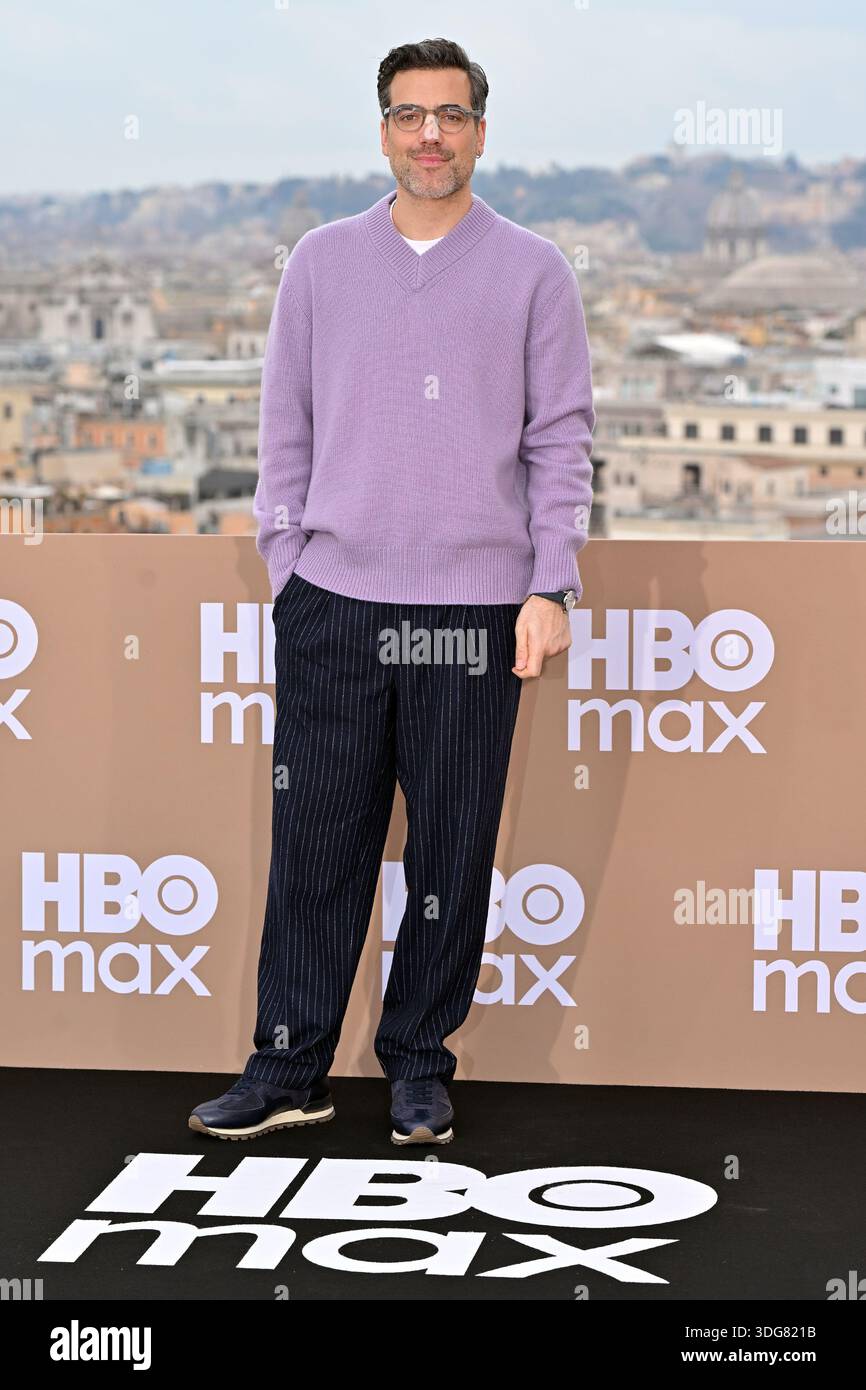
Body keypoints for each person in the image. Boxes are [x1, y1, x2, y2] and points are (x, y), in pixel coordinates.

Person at [189, 36, 595, 1147]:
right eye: (411, 115)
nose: (431, 134)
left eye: (451, 115)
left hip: (474, 612)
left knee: (450, 852)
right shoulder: (320, 261)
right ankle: (288, 1062)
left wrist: (547, 581)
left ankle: (419, 1060)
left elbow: (561, 443)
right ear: (382, 130)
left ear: (478, 129)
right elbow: (287, 432)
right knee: (316, 843)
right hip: (335, 602)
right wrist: (291, 568)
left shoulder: (533, 270)